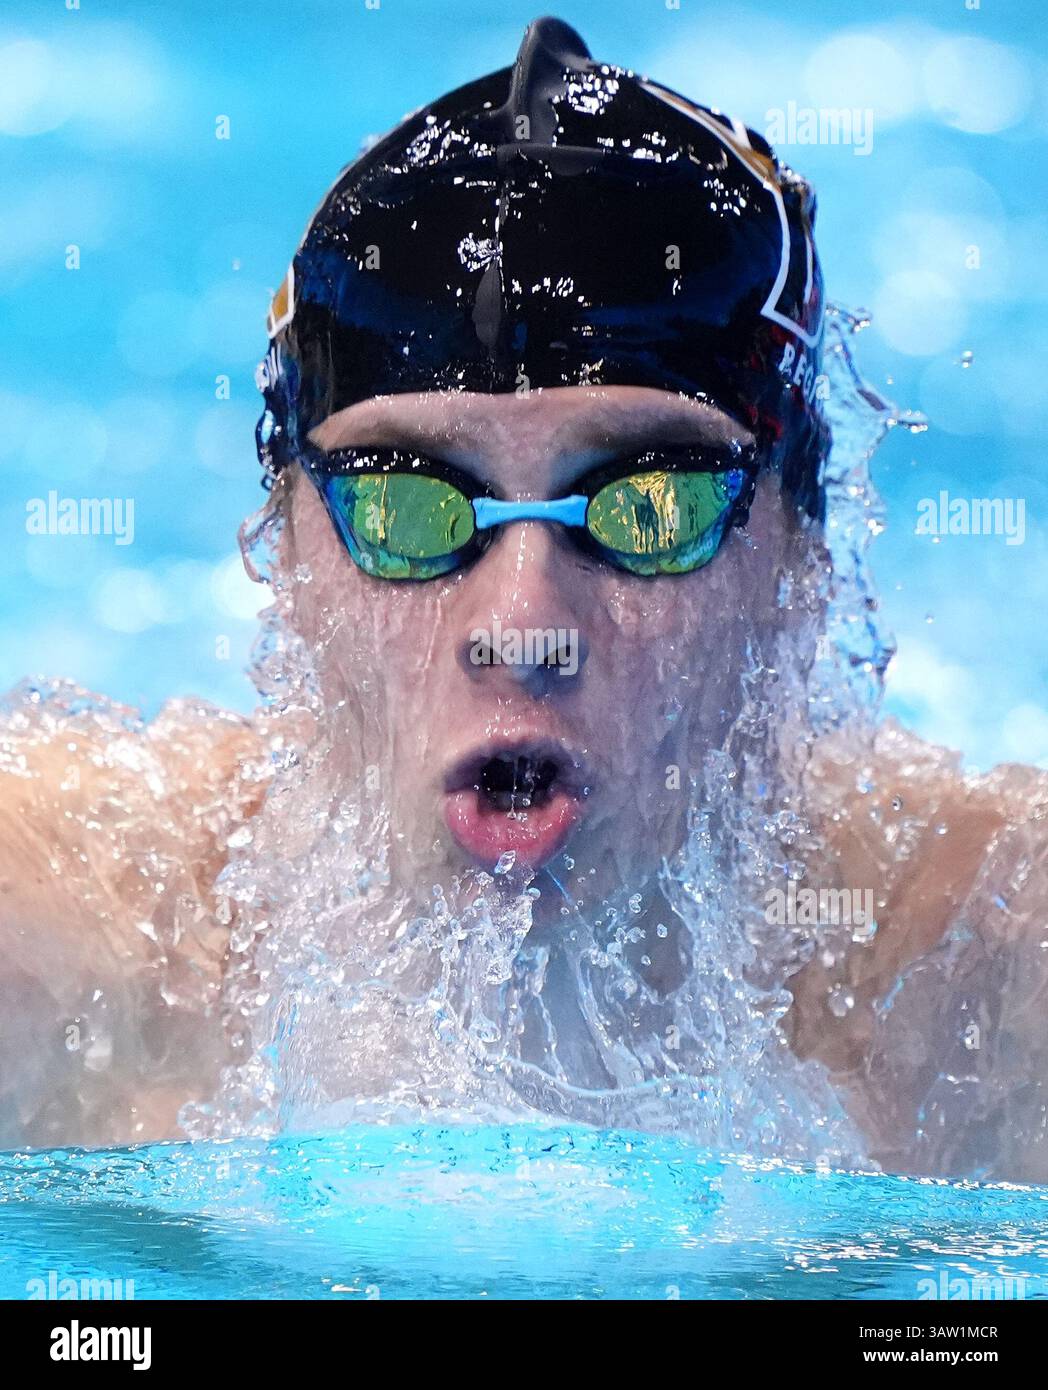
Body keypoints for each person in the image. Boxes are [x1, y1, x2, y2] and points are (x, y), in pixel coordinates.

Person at [2, 19, 1045, 1177]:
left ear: (798, 560)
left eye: (648, 505)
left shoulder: (983, 981)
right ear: (282, 548)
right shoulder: (62, 952)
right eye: (410, 509)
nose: (523, 628)